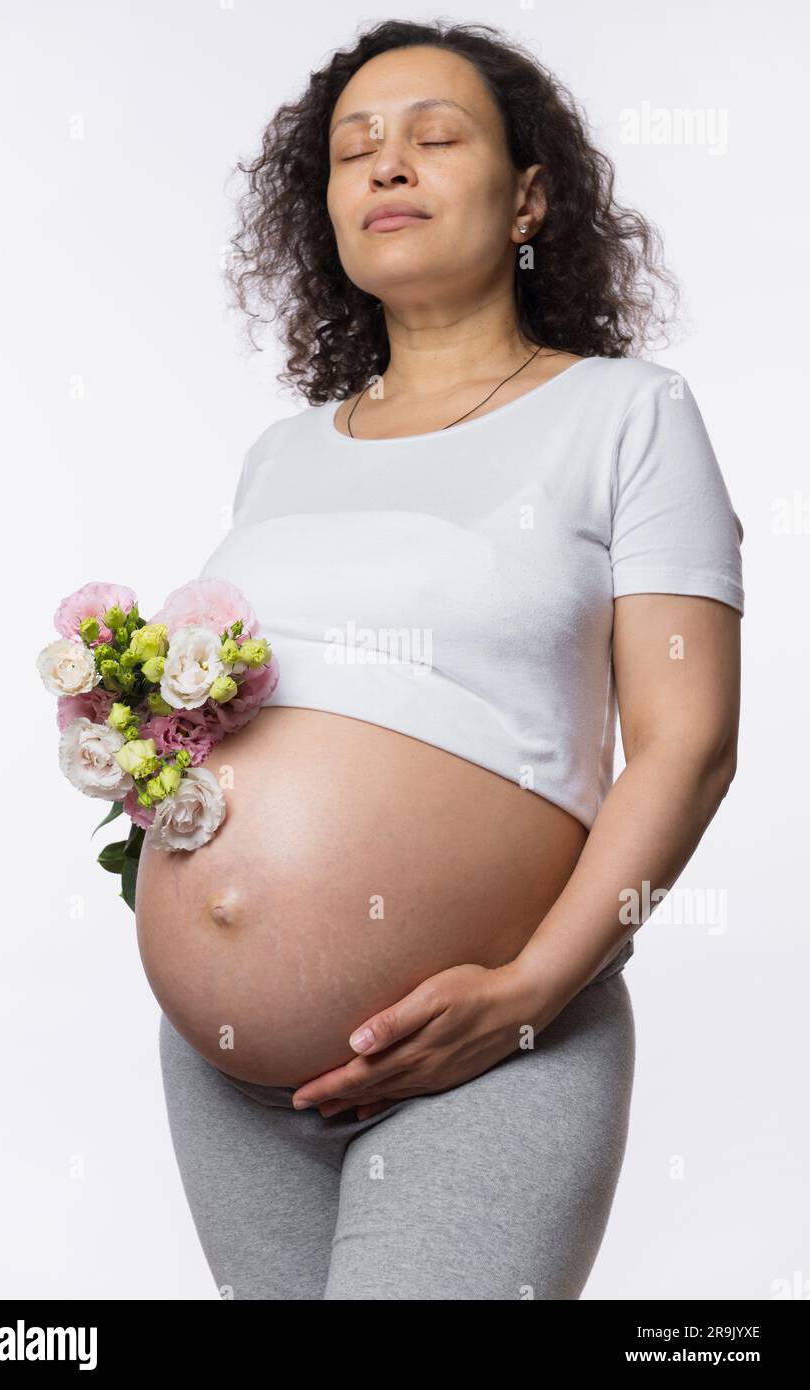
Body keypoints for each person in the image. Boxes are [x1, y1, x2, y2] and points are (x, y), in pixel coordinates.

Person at [156, 19, 744, 1300]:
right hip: (229, 1076)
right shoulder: (283, 453)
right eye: (354, 149)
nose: (388, 166)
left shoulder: (626, 414)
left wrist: (530, 989)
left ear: (529, 194)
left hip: (494, 1043)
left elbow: (689, 745)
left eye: (435, 136)